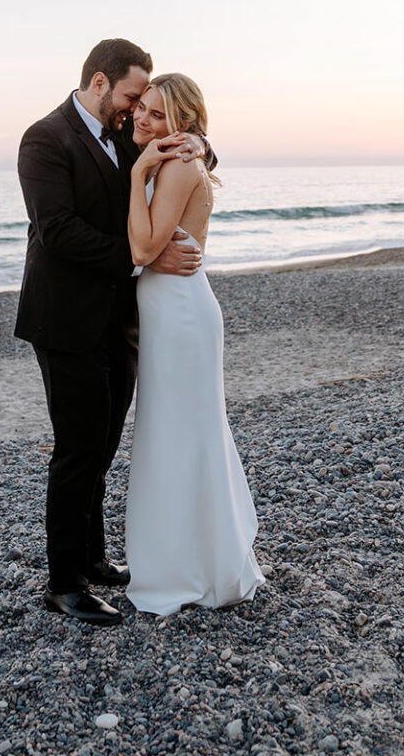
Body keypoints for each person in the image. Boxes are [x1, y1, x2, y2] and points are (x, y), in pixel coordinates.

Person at [15, 39, 208, 627]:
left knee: (102, 443)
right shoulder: (45, 139)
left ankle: (94, 557)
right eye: (130, 96)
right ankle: (64, 582)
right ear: (100, 83)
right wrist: (140, 258)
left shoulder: (122, 132)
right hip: (65, 318)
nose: (134, 110)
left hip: (117, 321)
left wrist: (202, 143)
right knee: (77, 450)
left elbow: (175, 150)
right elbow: (57, 230)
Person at [123, 73, 264, 616]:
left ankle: (193, 569)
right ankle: (192, 558)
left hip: (180, 313)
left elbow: (142, 245)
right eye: (143, 110)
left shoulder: (176, 164)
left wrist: (138, 175)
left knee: (181, 434)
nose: (143, 120)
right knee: (174, 432)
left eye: (158, 115)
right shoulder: (181, 156)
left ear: (183, 126)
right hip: (170, 310)